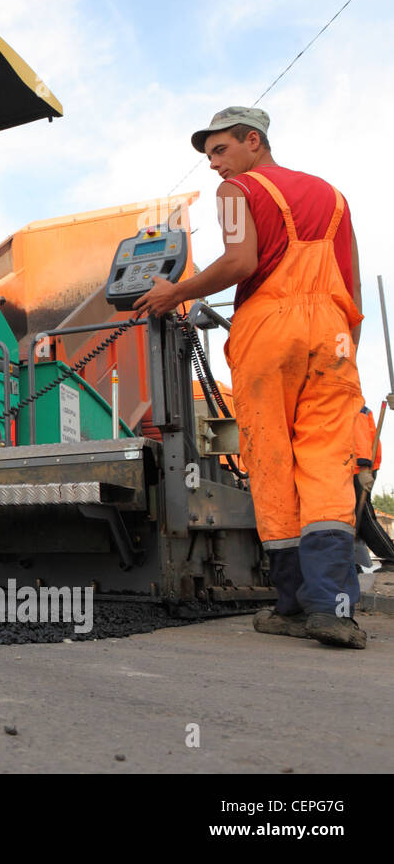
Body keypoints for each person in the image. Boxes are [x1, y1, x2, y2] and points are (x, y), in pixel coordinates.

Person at [134, 106, 367, 649]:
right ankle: (334, 609)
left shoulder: (239, 190)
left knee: (271, 463)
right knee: (328, 464)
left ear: (253, 141)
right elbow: (351, 285)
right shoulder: (333, 197)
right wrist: (343, 350)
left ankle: (290, 607)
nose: (214, 165)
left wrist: (176, 292)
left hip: (270, 328)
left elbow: (241, 262)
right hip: (333, 334)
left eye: (220, 150)